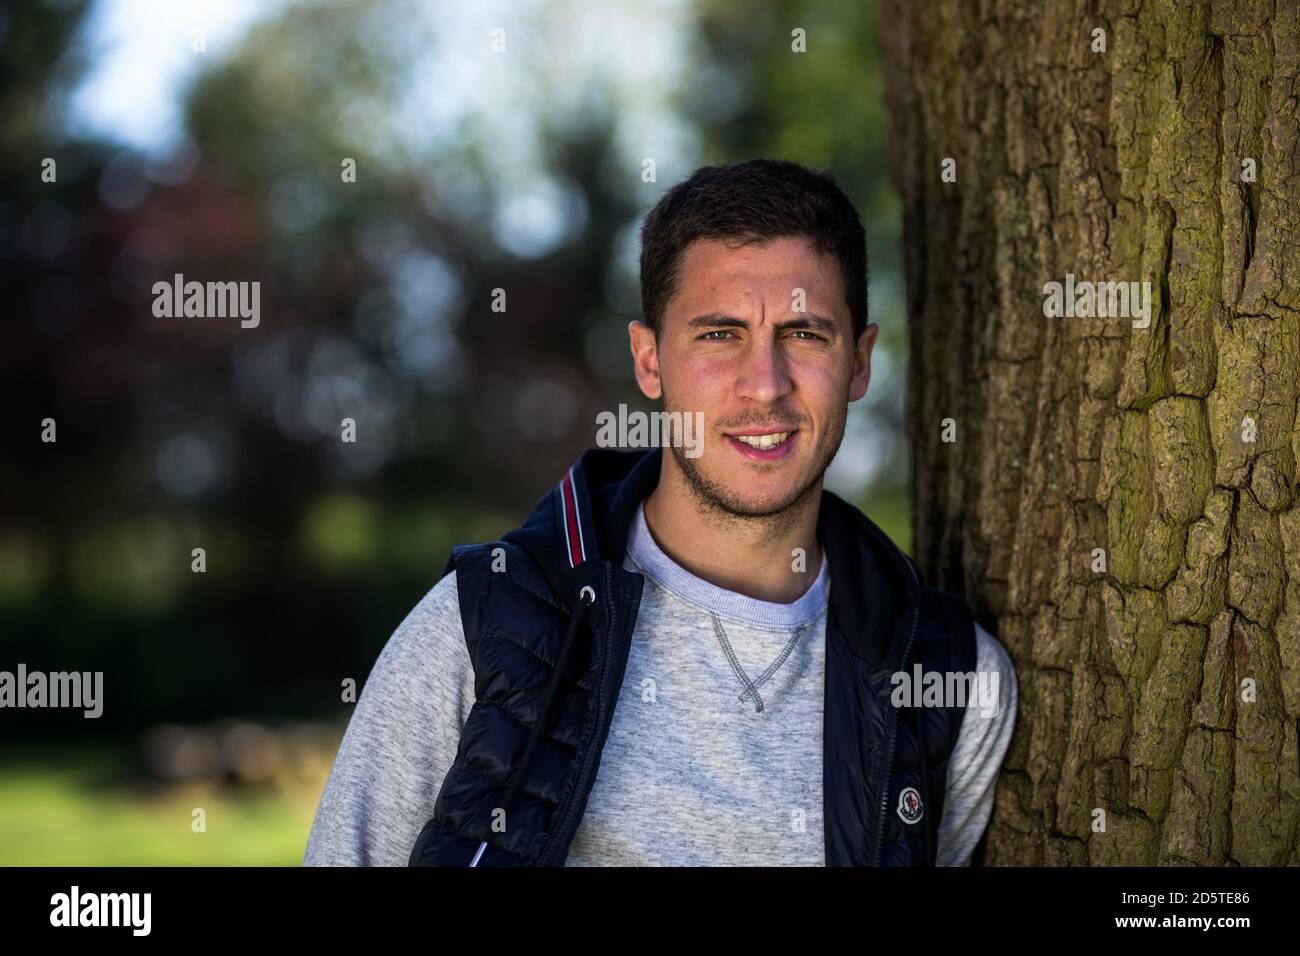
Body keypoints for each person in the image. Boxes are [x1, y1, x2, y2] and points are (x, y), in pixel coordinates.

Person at [303, 158, 1017, 867]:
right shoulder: (485, 624)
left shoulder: (952, 682)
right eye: (719, 334)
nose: (764, 386)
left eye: (805, 333)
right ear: (649, 361)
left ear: (860, 362)